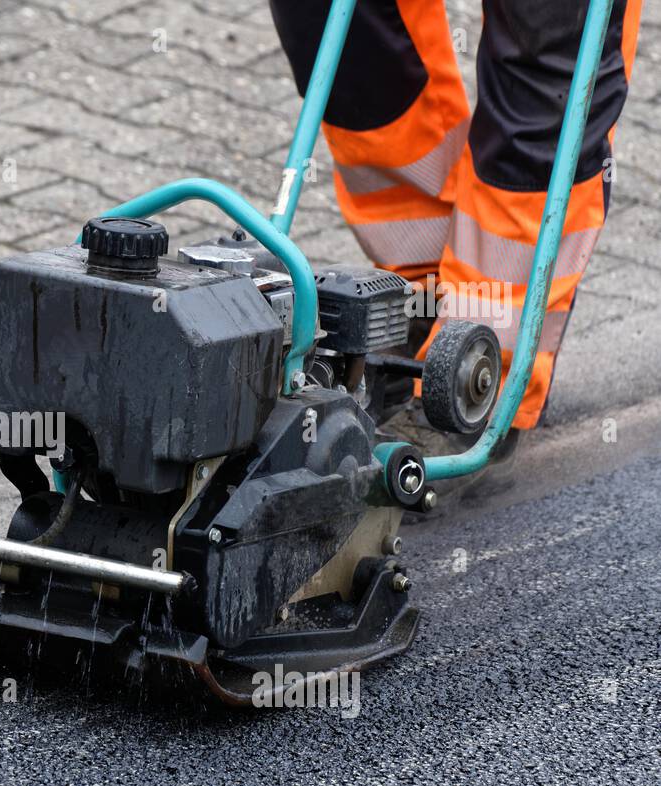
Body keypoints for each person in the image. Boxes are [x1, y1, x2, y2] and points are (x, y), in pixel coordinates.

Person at [269, 0, 640, 499]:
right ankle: (419, 305)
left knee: (545, 57)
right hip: (412, 283)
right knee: (339, 32)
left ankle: (478, 376)